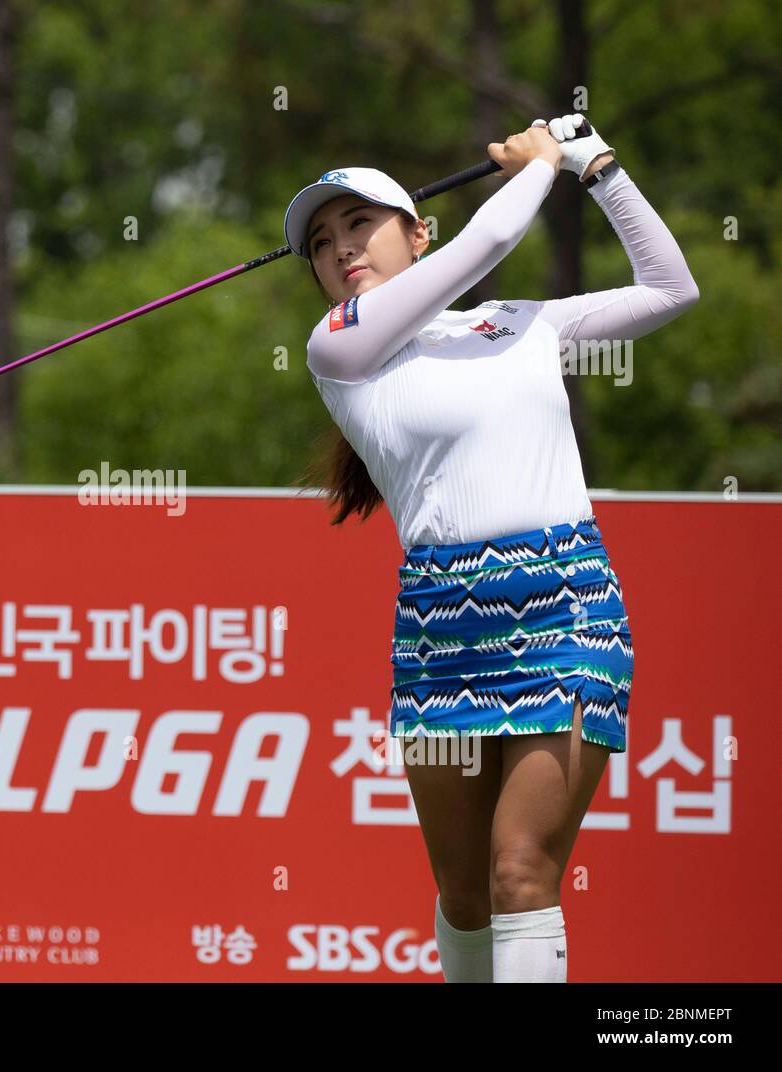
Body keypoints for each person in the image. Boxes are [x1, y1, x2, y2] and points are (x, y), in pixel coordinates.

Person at [286, 114, 698, 983]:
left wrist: (595, 165)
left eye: (360, 222)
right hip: (442, 629)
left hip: (566, 605)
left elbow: (670, 289)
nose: (341, 247)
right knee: (464, 893)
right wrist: (540, 165)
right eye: (322, 242)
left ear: (416, 229)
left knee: (521, 873)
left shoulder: (520, 324)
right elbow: (493, 234)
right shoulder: (338, 348)